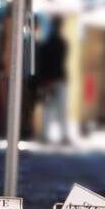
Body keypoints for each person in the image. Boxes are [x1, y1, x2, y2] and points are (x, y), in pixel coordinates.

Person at [33, 15, 68, 144]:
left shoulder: (46, 43)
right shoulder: (61, 43)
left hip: (49, 79)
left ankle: (44, 135)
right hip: (58, 78)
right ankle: (61, 136)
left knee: (48, 108)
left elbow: (42, 62)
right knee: (60, 108)